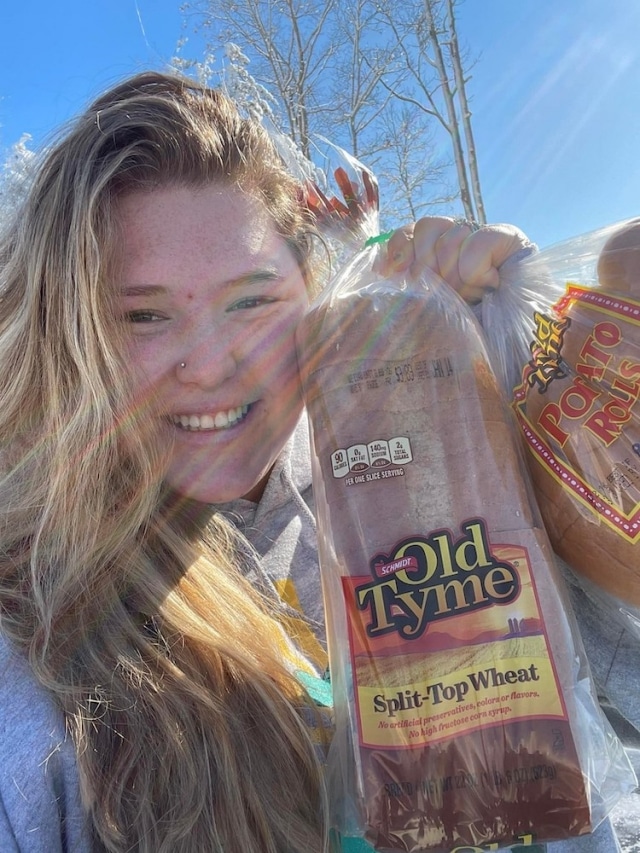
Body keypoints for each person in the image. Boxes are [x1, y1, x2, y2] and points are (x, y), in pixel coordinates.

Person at [0, 69, 634, 853]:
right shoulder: (41, 632)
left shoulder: (419, 462)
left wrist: (525, 412)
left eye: (251, 300)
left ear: (312, 291)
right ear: (70, 334)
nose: (211, 364)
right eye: (145, 314)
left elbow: (624, 695)